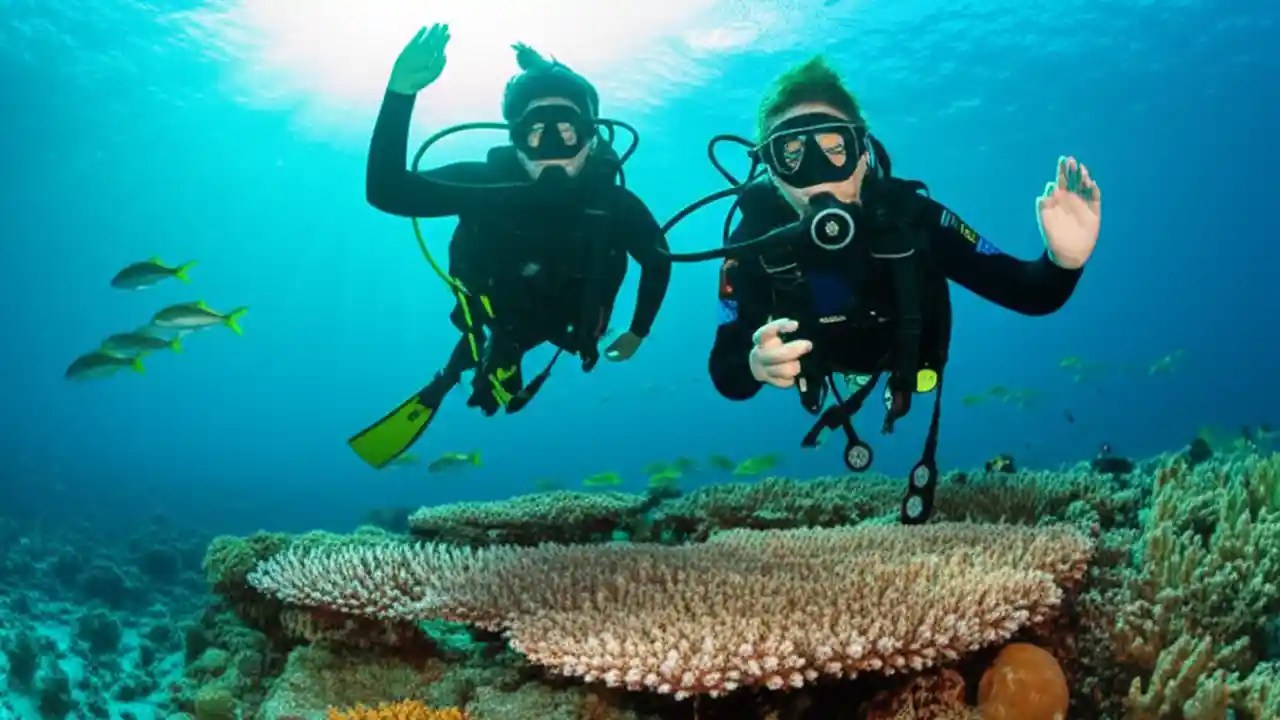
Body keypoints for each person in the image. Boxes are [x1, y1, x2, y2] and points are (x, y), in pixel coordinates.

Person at [692, 56, 1101, 522]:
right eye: (791, 154)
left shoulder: (913, 219)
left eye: (833, 147)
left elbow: (1030, 293)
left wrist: (1064, 261)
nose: (816, 172)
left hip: (908, 360)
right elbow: (726, 372)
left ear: (863, 153)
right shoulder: (752, 241)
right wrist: (753, 365)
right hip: (823, 364)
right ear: (769, 170)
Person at [349, 24, 672, 469]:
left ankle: (485, 366)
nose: (553, 148)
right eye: (535, 133)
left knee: (505, 361)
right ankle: (464, 370)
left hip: (572, 326)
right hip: (496, 315)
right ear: (513, 138)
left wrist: (639, 330)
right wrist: (400, 92)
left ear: (592, 136)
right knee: (488, 353)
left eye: (568, 130)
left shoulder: (614, 204)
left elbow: (658, 262)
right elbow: (387, 191)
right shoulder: (486, 185)